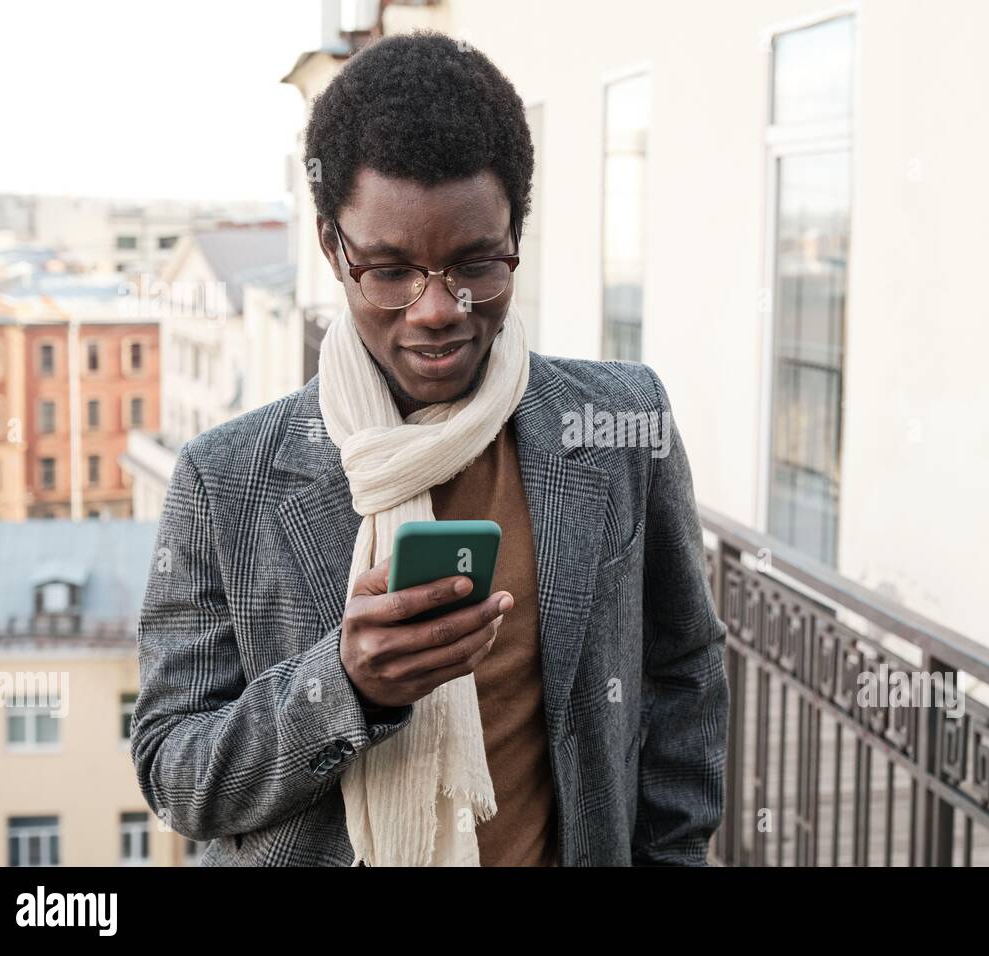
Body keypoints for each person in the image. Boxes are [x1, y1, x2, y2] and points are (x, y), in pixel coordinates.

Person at [131, 30, 728, 867]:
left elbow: (684, 671)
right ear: (332, 247)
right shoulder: (225, 480)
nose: (437, 309)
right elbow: (175, 775)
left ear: (517, 228)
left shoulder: (623, 426)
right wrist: (344, 689)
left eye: (476, 264)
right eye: (390, 271)